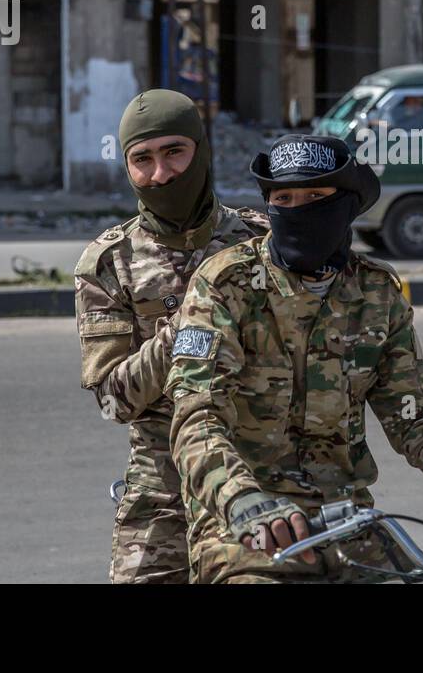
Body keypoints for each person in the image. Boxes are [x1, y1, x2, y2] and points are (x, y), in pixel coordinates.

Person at [163, 135, 423, 583]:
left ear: (346, 206)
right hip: (246, 533)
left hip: (349, 530)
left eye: (315, 197)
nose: (297, 208)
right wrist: (243, 500)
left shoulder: (376, 294)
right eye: (283, 198)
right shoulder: (224, 284)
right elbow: (196, 418)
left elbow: (417, 425)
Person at [74, 89, 267, 583]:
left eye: (174, 152)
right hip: (164, 488)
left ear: (202, 151)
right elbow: (114, 402)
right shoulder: (109, 263)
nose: (161, 174)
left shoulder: (263, 242)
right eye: (143, 159)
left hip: (262, 477)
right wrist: (189, 327)